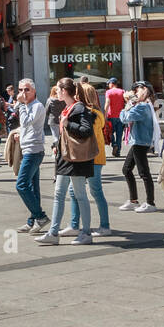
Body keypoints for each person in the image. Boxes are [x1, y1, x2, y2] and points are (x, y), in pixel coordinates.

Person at [36, 78, 93, 245]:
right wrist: (56, 144)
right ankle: (53, 233)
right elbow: (65, 136)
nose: (57, 92)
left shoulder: (79, 108)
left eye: (59, 89)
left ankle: (86, 232)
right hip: (64, 157)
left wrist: (68, 124)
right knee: (59, 194)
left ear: (65, 91)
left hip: (76, 159)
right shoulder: (67, 108)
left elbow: (86, 130)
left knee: (80, 195)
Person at [67, 81, 110, 236]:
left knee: (95, 190)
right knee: (74, 190)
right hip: (89, 157)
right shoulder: (93, 112)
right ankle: (74, 224)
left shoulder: (93, 114)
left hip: (94, 158)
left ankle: (105, 225)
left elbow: (86, 131)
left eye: (78, 93)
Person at [10, 79, 48, 233]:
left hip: (34, 151)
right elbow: (26, 127)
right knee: (33, 188)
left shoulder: (37, 106)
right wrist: (21, 135)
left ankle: (40, 216)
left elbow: (26, 121)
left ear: (34, 91)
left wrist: (20, 104)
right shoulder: (29, 105)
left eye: (26, 90)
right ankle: (33, 220)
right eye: (20, 90)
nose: (23, 93)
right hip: (28, 148)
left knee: (21, 185)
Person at [120, 82, 158, 212]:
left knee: (144, 172)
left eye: (138, 90)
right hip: (138, 141)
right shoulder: (144, 105)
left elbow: (125, 118)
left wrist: (128, 103)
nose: (135, 92)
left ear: (145, 90)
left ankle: (150, 203)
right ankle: (133, 200)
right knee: (126, 169)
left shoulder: (143, 106)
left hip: (140, 142)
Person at [104, 79, 126, 158]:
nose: (108, 86)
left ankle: (114, 145)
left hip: (111, 116)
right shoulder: (122, 91)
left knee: (110, 132)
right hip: (121, 116)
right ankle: (118, 151)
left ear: (112, 84)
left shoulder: (108, 92)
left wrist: (105, 116)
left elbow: (107, 104)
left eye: (108, 84)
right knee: (119, 134)